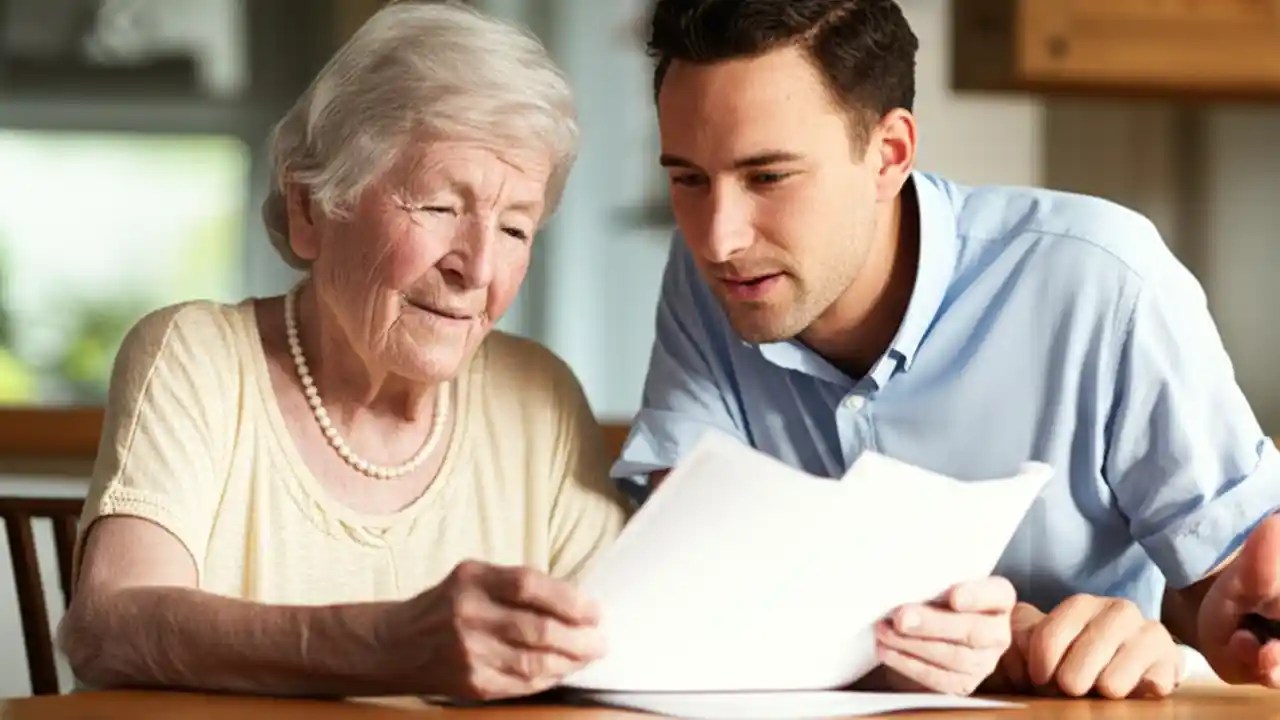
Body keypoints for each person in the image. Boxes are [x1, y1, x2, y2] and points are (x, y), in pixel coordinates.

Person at [614, 0, 1280, 699]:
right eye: (688, 178)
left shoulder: (1102, 281)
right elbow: (691, 570)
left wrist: (1228, 623)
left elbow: (1226, 593)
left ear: (888, 154)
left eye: (769, 177)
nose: (718, 239)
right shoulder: (715, 277)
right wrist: (985, 639)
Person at [59, 1, 627, 701]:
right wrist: (391, 647)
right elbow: (109, 625)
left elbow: (621, 650)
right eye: (440, 207)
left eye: (515, 229)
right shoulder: (197, 357)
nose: (477, 268)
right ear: (310, 208)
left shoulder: (539, 398)